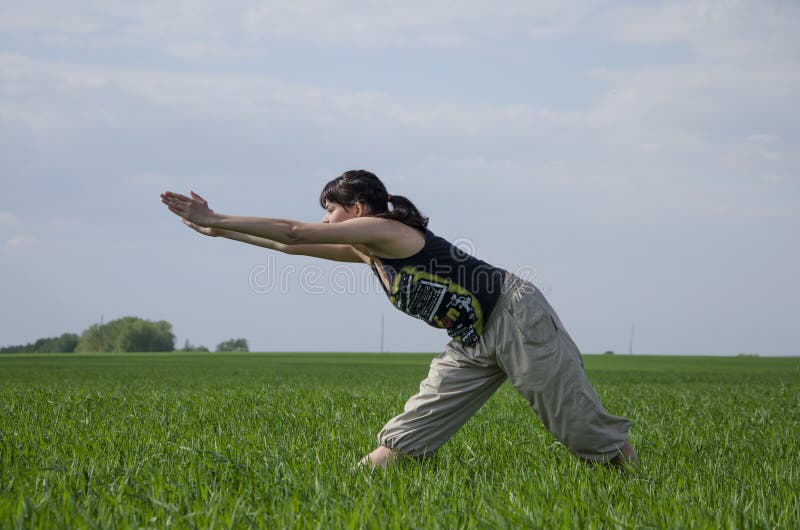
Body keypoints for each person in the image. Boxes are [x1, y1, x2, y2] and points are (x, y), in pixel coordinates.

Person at [160, 169, 637, 470]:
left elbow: (292, 230)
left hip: (513, 316)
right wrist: (217, 232)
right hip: (471, 338)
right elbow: (290, 243)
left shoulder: (388, 231)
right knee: (409, 433)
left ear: (359, 209)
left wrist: (219, 216)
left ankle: (637, 486)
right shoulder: (369, 252)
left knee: (577, 426)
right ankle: (352, 487)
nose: (326, 222)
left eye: (331, 211)